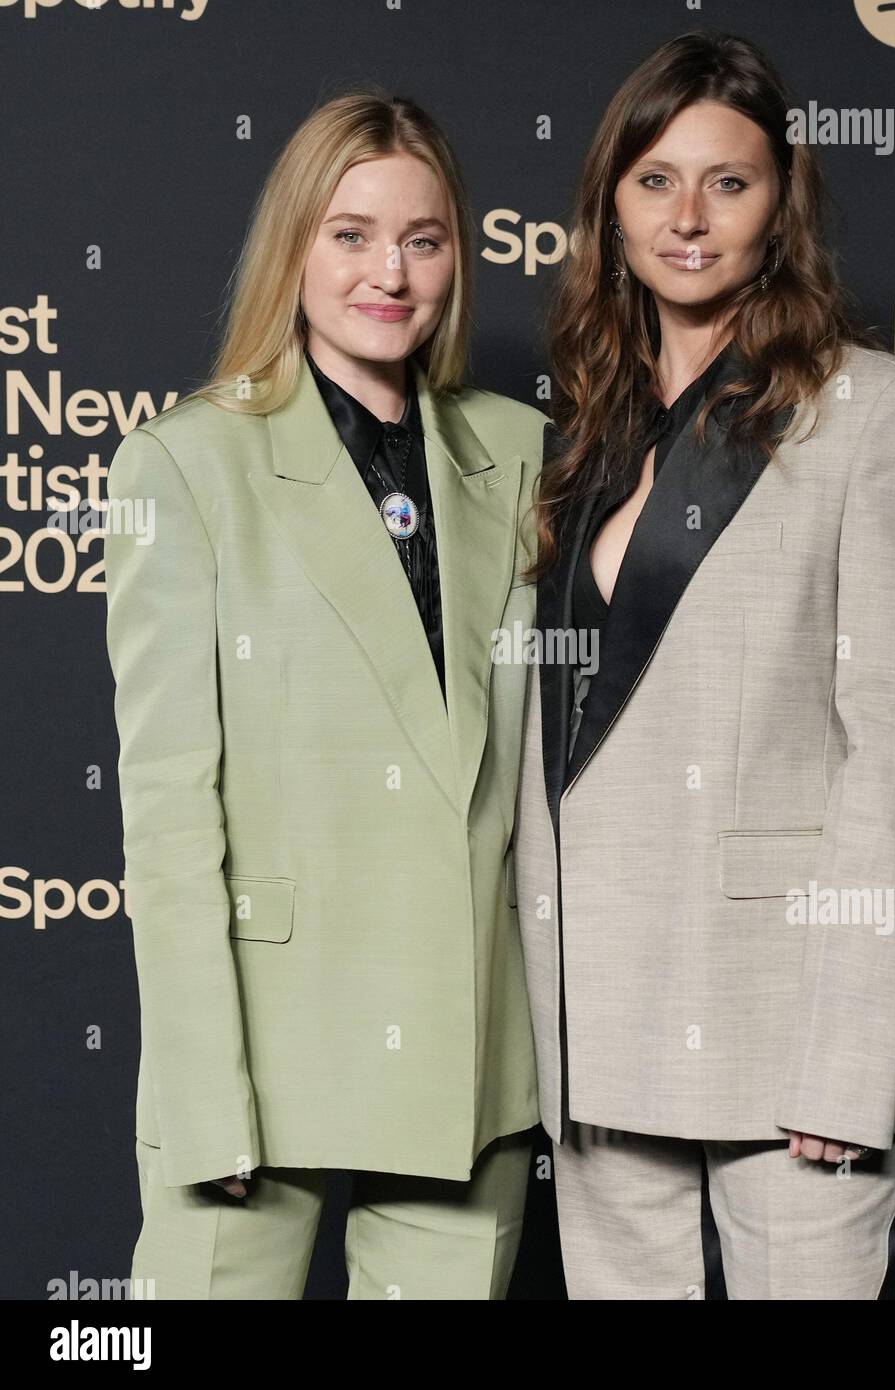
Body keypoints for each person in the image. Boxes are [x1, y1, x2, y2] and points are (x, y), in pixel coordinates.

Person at [512, 31, 895, 1299]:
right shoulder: (579, 432)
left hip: (786, 1028)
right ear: (609, 208)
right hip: (594, 1024)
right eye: (654, 181)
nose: (689, 217)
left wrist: (851, 1055)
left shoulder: (877, 411)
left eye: (729, 181)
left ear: (781, 206)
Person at [104, 88, 546, 1300]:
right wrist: (204, 1096)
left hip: (465, 1042)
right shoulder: (185, 464)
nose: (388, 273)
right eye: (349, 234)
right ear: (293, 242)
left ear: (459, 254)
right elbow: (169, 807)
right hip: (264, 1048)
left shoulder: (517, 451)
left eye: (423, 236)